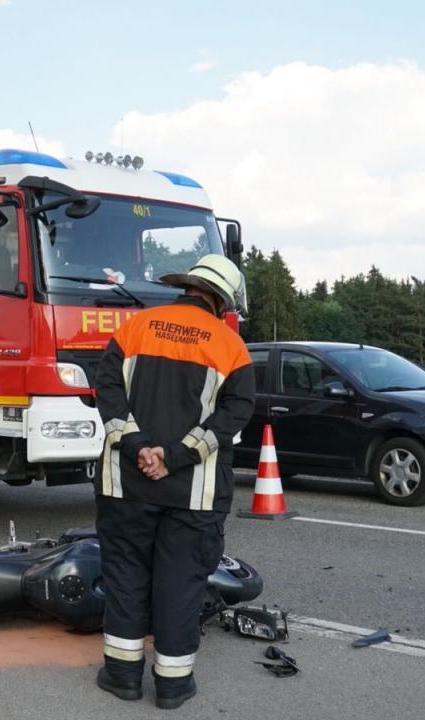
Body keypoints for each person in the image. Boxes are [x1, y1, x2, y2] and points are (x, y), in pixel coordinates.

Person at [91, 254, 255, 710]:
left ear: (186, 287)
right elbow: (234, 415)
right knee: (180, 584)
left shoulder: (134, 328)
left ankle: (122, 676)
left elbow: (107, 392)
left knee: (125, 576)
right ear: (222, 300)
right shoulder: (229, 346)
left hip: (126, 483)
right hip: (193, 493)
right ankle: (173, 686)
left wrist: (139, 446)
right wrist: (177, 456)